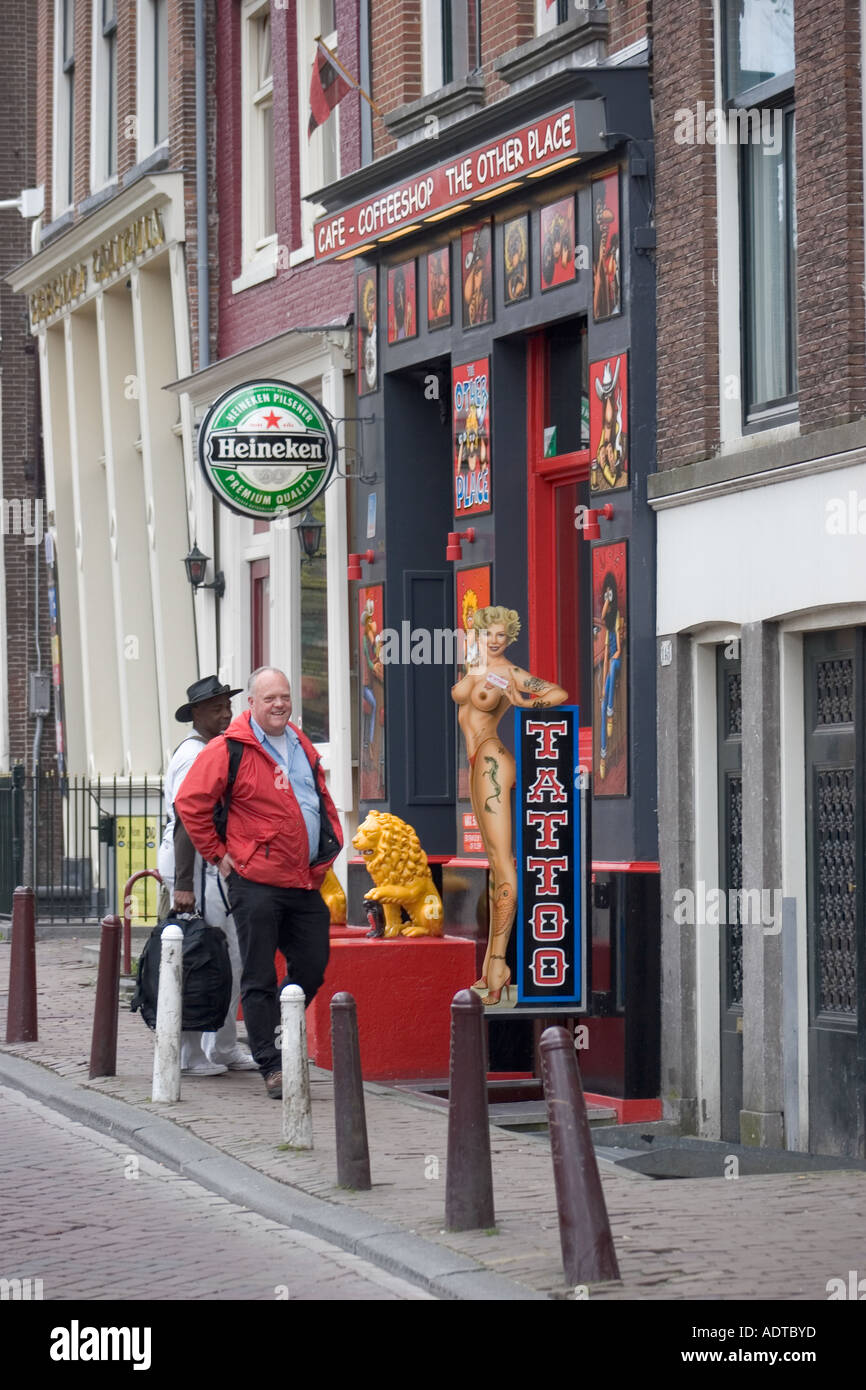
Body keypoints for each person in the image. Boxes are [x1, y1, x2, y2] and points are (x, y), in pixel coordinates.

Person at [174, 667, 343, 1100]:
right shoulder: (229, 746)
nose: (279, 705)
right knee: (258, 972)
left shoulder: (300, 741)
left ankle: (282, 1032)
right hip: (255, 881)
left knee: (313, 963)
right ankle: (271, 1063)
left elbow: (315, 796)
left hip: (304, 879)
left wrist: (328, 845)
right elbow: (189, 803)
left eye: (284, 697)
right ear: (252, 703)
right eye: (270, 699)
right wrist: (217, 854)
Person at [451, 608, 567, 1005]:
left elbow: (557, 694)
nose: (496, 640)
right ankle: (489, 967)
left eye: (503, 635)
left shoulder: (509, 672)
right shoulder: (474, 663)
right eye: (490, 633)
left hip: (492, 762)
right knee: (493, 864)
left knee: (503, 864)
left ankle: (499, 963)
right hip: (477, 765)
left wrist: (521, 701)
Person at [157, 676, 256, 1076]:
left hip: (205, 865)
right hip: (194, 866)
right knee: (204, 956)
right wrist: (184, 884)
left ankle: (221, 1045)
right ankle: (192, 1052)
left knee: (224, 955)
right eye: (216, 707)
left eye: (227, 705)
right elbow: (186, 817)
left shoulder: (209, 748)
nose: (225, 712)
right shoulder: (194, 754)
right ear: (196, 714)